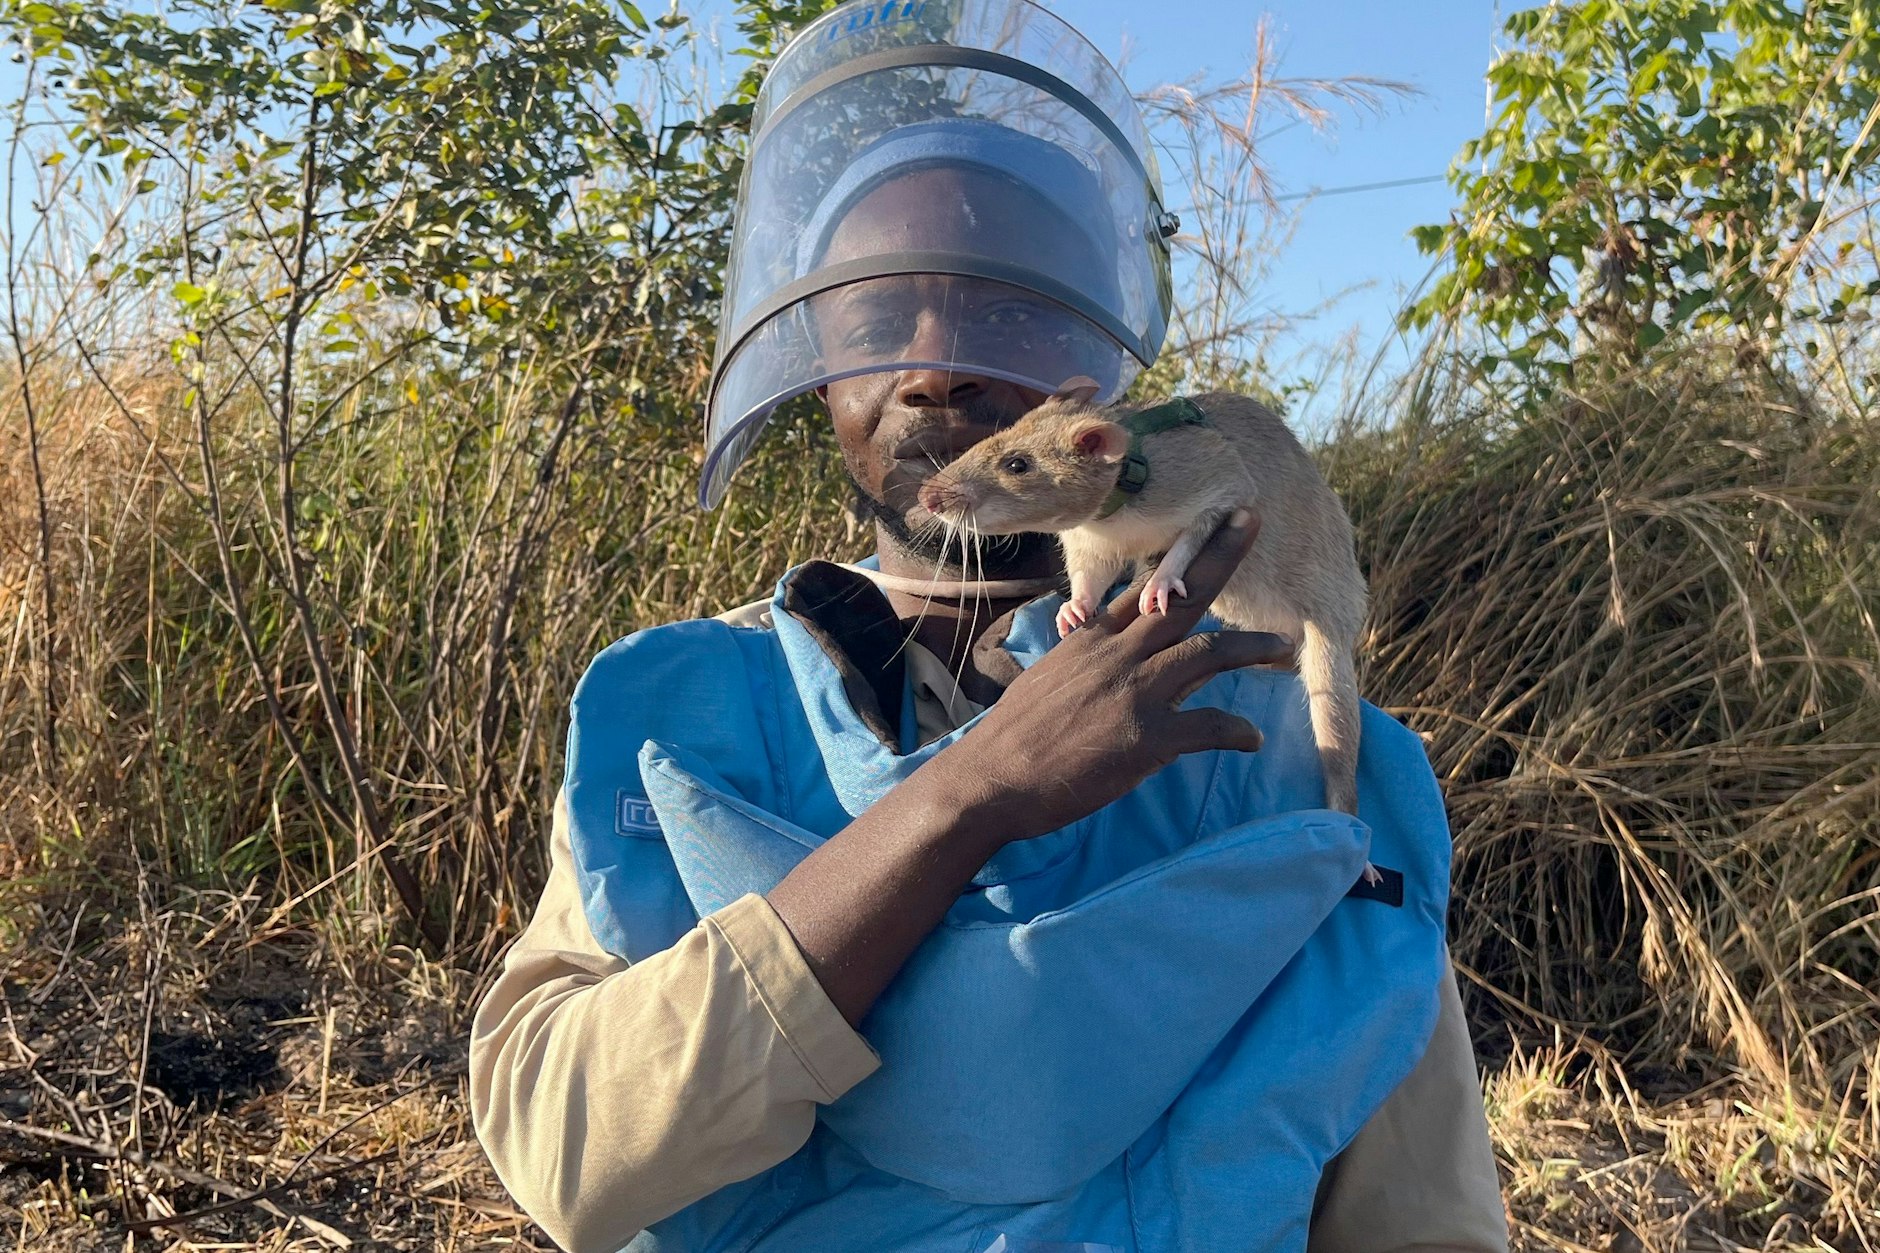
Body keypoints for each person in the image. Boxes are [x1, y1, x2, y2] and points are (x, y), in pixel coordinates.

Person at [470, 2, 1509, 1250]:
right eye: (872, 317)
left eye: (1003, 309)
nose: (933, 367)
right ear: (817, 363)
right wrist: (968, 792)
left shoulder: (1289, 746)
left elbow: (1420, 1210)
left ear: (1095, 383)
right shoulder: (687, 711)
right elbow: (565, 1156)